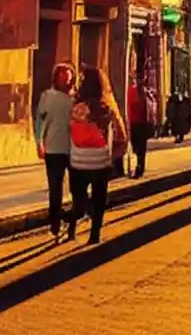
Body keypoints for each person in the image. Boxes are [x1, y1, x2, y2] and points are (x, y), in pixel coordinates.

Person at [65, 66, 128, 244]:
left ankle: (76, 222)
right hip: (100, 162)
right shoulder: (107, 108)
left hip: (77, 161)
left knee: (78, 196)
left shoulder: (76, 107)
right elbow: (122, 137)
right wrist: (112, 156)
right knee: (99, 197)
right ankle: (94, 235)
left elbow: (65, 131)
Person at [35, 63, 75, 241]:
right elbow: (40, 121)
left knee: (76, 189)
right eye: (62, 76)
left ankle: (72, 225)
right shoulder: (48, 97)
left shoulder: (76, 99)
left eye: (68, 76)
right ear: (56, 78)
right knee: (55, 188)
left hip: (75, 149)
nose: (66, 79)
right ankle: (55, 222)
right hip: (54, 149)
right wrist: (39, 142)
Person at [125, 70, 151, 178]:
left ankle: (137, 167)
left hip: (135, 124)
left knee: (136, 147)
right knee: (141, 149)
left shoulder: (130, 92)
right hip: (142, 124)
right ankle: (140, 167)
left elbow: (129, 109)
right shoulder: (144, 92)